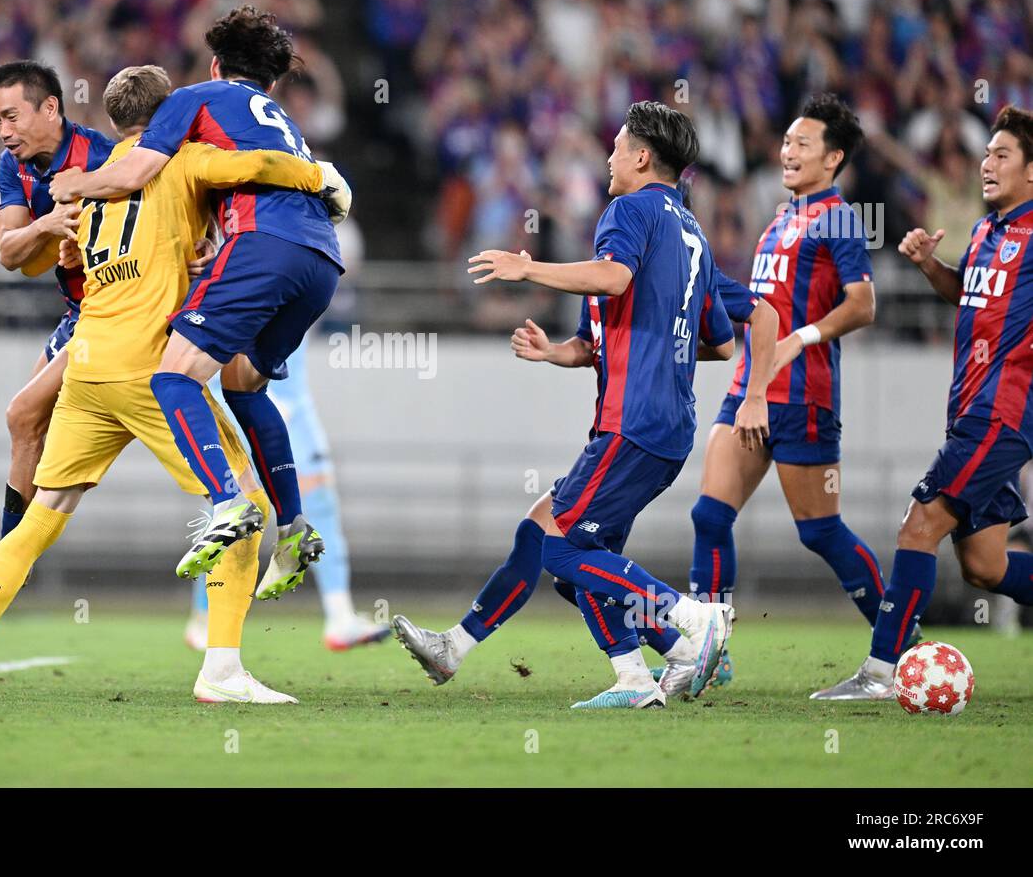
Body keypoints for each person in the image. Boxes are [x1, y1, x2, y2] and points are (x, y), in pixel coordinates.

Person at [0, 65, 348, 705]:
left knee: (46, 512)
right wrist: (320, 177)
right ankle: (223, 670)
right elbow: (257, 166)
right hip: (148, 365)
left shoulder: (78, 191)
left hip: (87, 363)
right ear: (169, 119)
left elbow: (56, 258)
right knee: (243, 508)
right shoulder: (182, 161)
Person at [397, 103, 736, 709]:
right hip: (662, 421)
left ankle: (691, 623)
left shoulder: (629, 212)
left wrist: (526, 268)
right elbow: (719, 340)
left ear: (641, 157)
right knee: (553, 536)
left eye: (616, 146)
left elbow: (612, 281)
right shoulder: (691, 233)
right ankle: (633, 675)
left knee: (564, 547)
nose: (607, 157)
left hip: (634, 420)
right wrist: (559, 353)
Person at [51, 7, 350, 599]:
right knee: (242, 384)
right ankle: (293, 528)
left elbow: (136, 170)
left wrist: (75, 183)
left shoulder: (197, 95)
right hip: (322, 260)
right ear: (272, 81)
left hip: (266, 245)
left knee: (173, 378)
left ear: (217, 64)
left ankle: (228, 504)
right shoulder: (282, 121)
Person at [813, 105, 1033, 700]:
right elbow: (967, 295)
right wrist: (927, 265)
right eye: (986, 153)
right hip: (969, 412)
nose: (987, 163)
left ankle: (881, 673)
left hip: (1000, 415)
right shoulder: (989, 230)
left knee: (918, 525)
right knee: (985, 566)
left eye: (1002, 155)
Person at [683, 94, 882, 689]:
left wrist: (806, 336)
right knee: (709, 515)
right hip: (751, 388)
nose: (787, 151)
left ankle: (900, 643)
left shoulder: (838, 217)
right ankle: (709, 651)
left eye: (802, 144)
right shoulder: (780, 217)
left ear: (833, 157)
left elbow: (864, 304)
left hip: (803, 396)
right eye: (787, 141)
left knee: (819, 530)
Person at [0, 60, 116, 588]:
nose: (5, 131)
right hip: (79, 314)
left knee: (25, 417)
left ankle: (8, 557)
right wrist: (50, 222)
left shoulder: (105, 158)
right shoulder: (11, 167)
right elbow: (9, 252)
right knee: (28, 425)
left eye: (12, 117)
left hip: (117, 312)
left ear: (50, 108)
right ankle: (9, 556)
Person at [187, 342, 391, 651]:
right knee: (240, 511)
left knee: (320, 502)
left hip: (293, 397)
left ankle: (340, 616)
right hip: (234, 391)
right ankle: (205, 620)